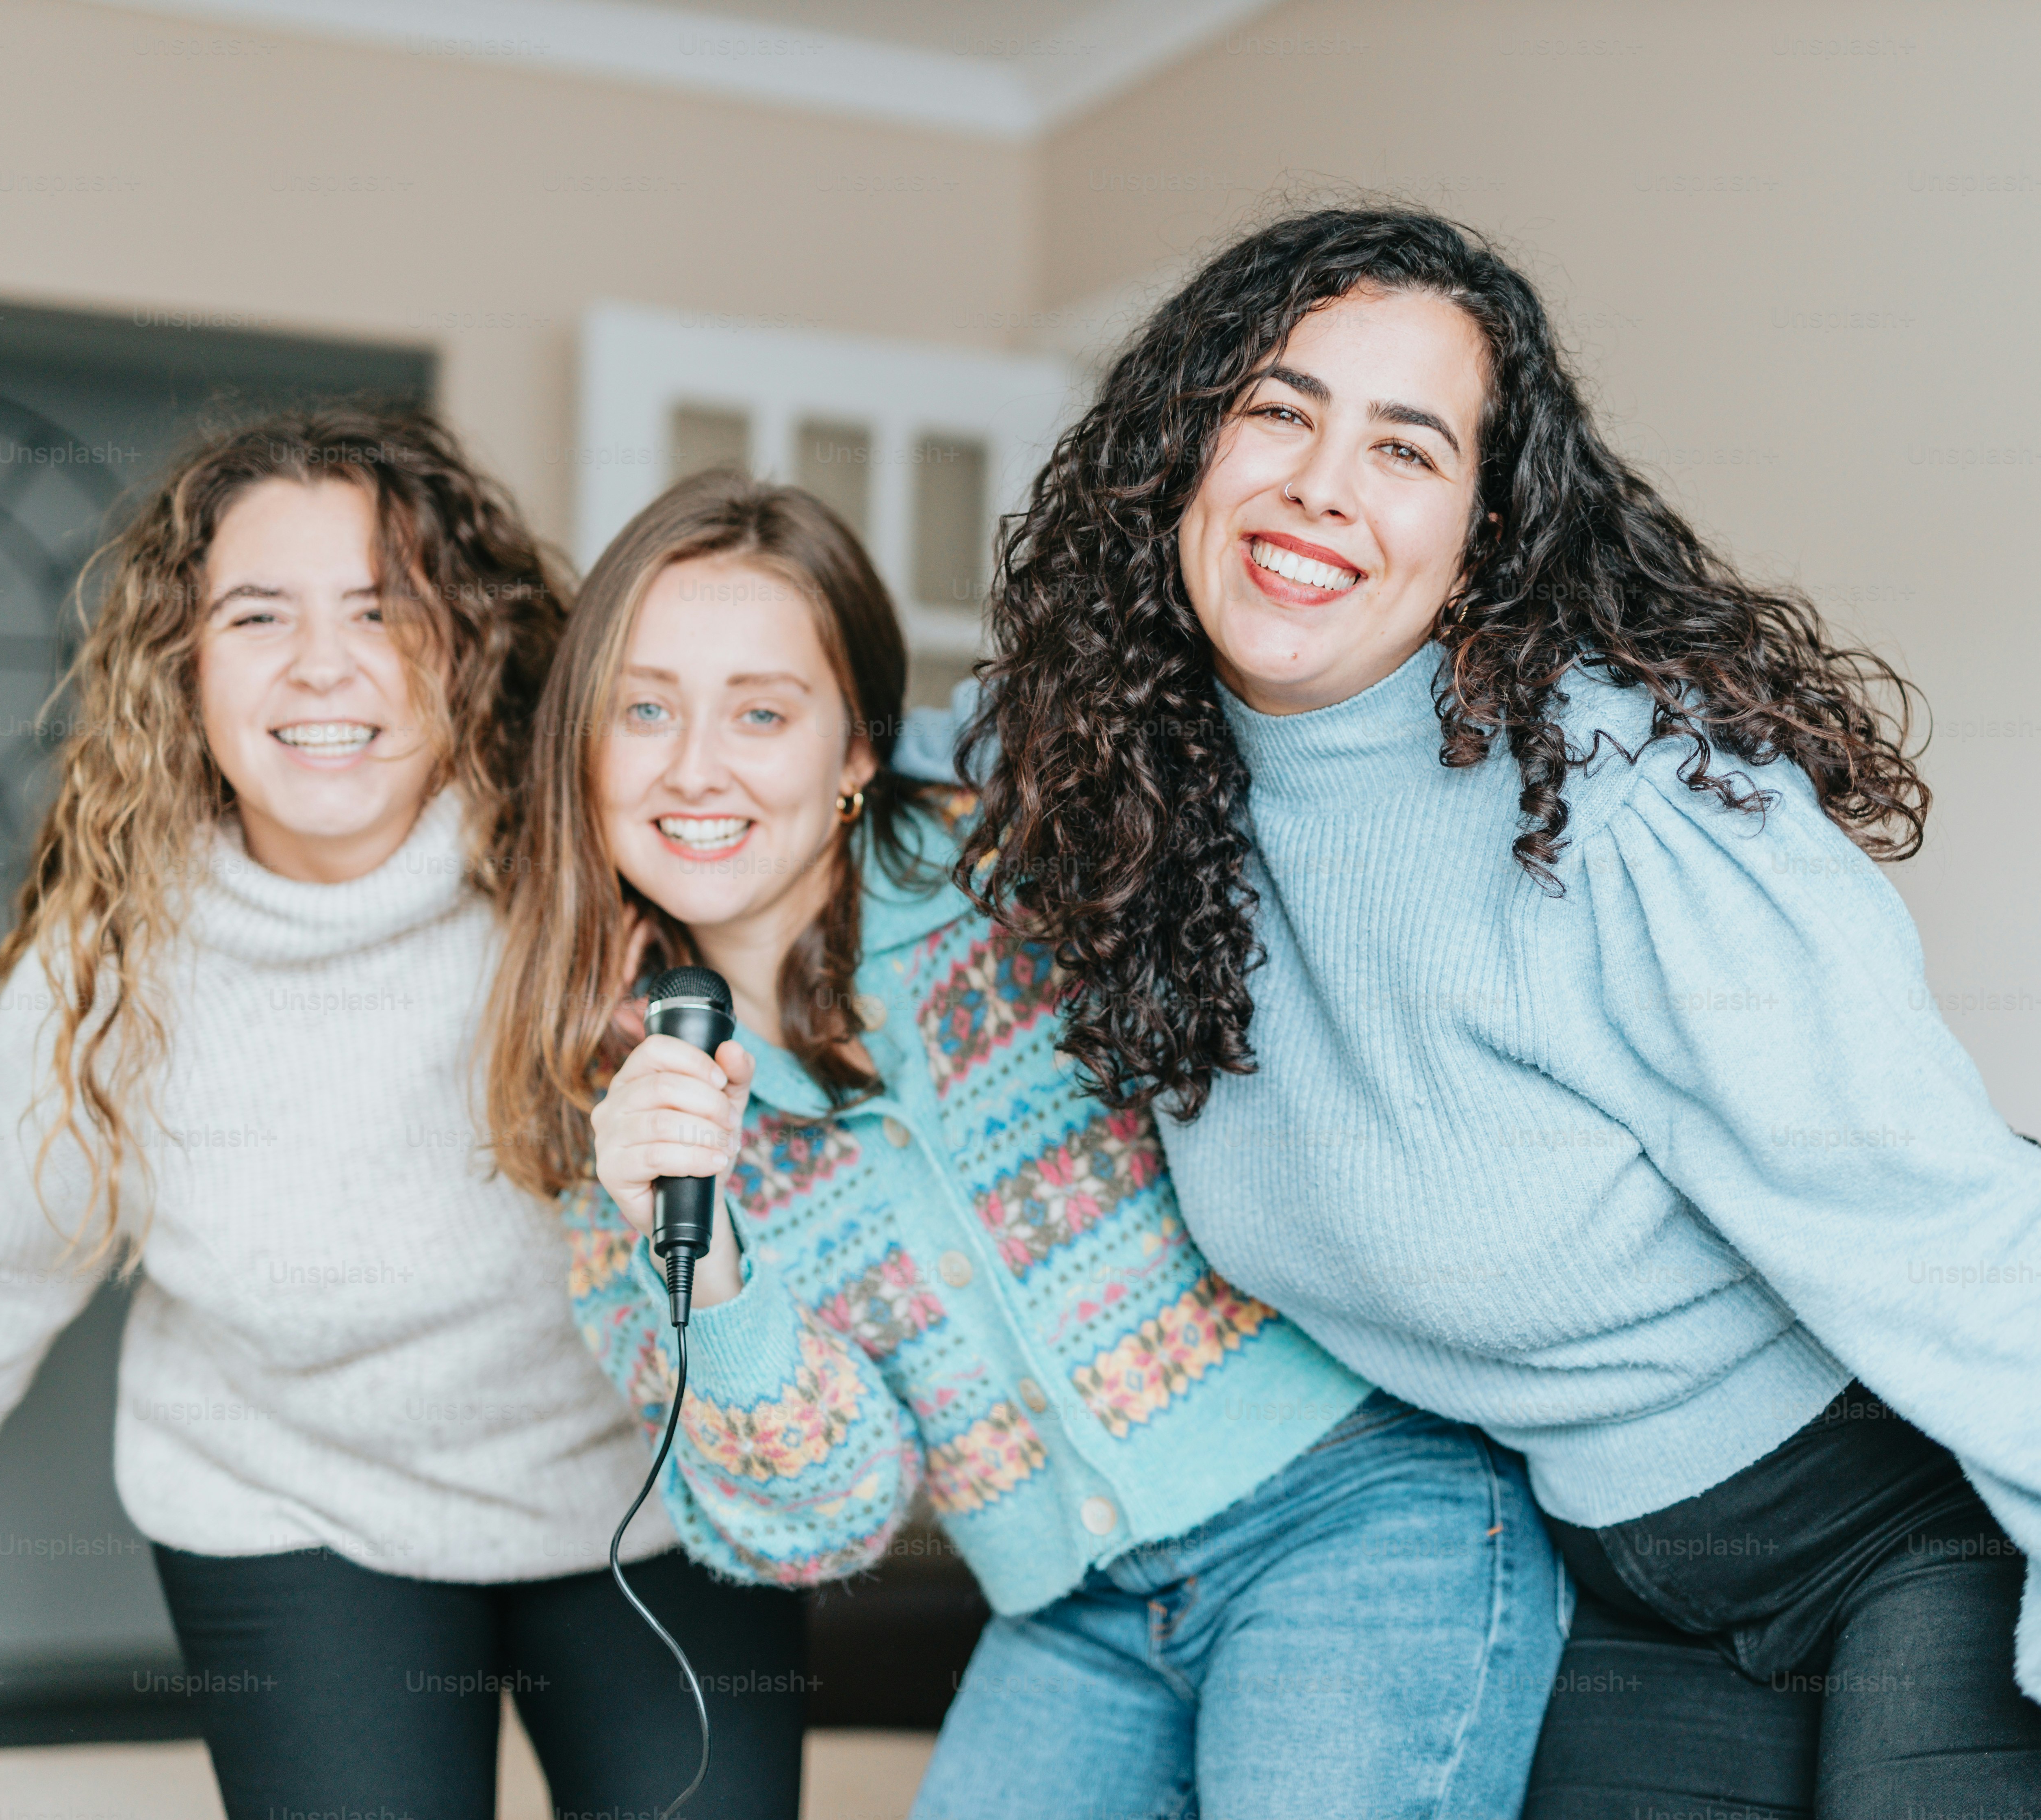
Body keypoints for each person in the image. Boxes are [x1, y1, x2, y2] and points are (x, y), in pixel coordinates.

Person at [949, 208, 2041, 1820]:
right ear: (1178, 456)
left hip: (1923, 1483)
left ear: (1482, 531)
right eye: (1278, 409)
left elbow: (1930, 1204)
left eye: (1407, 448)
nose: (1321, 484)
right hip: (1628, 1568)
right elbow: (829, 792)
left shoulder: (1614, 800)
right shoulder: (1136, 814)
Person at [484, 470, 1564, 1820]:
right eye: (645, 710)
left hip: (1349, 1508)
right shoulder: (612, 1112)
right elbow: (825, 1523)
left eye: (762, 711)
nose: (696, 767)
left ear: (857, 754)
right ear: (585, 750)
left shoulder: (1039, 885)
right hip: (1073, 1609)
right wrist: (703, 1262)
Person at [0, 405, 805, 1819]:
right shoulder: (107, 971)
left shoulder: (604, 877)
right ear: (185, 666)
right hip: (294, 1507)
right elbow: (10, 1232)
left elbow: (839, 802)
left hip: (640, 1487)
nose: (324, 665)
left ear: (462, 646)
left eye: (384, 610)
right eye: (258, 615)